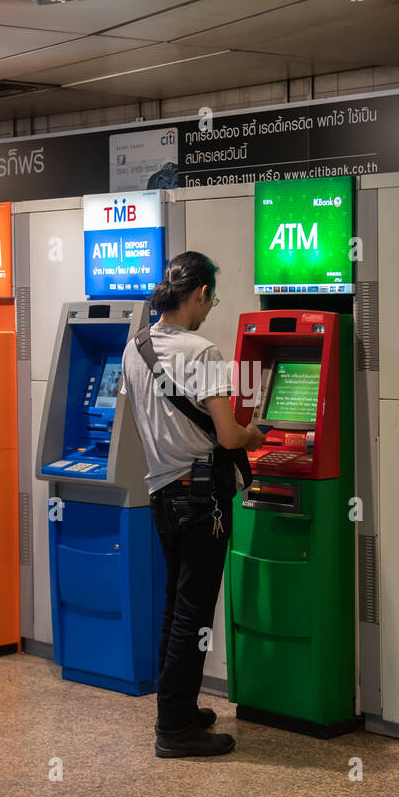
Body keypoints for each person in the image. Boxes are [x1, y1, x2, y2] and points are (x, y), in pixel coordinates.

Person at [120, 251, 265, 758]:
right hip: (203, 498)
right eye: (211, 299)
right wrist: (254, 435)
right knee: (194, 612)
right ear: (199, 293)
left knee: (175, 607)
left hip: (162, 492)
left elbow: (140, 425)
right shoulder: (203, 352)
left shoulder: (134, 347)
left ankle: (174, 708)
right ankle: (176, 730)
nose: (210, 309)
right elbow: (226, 435)